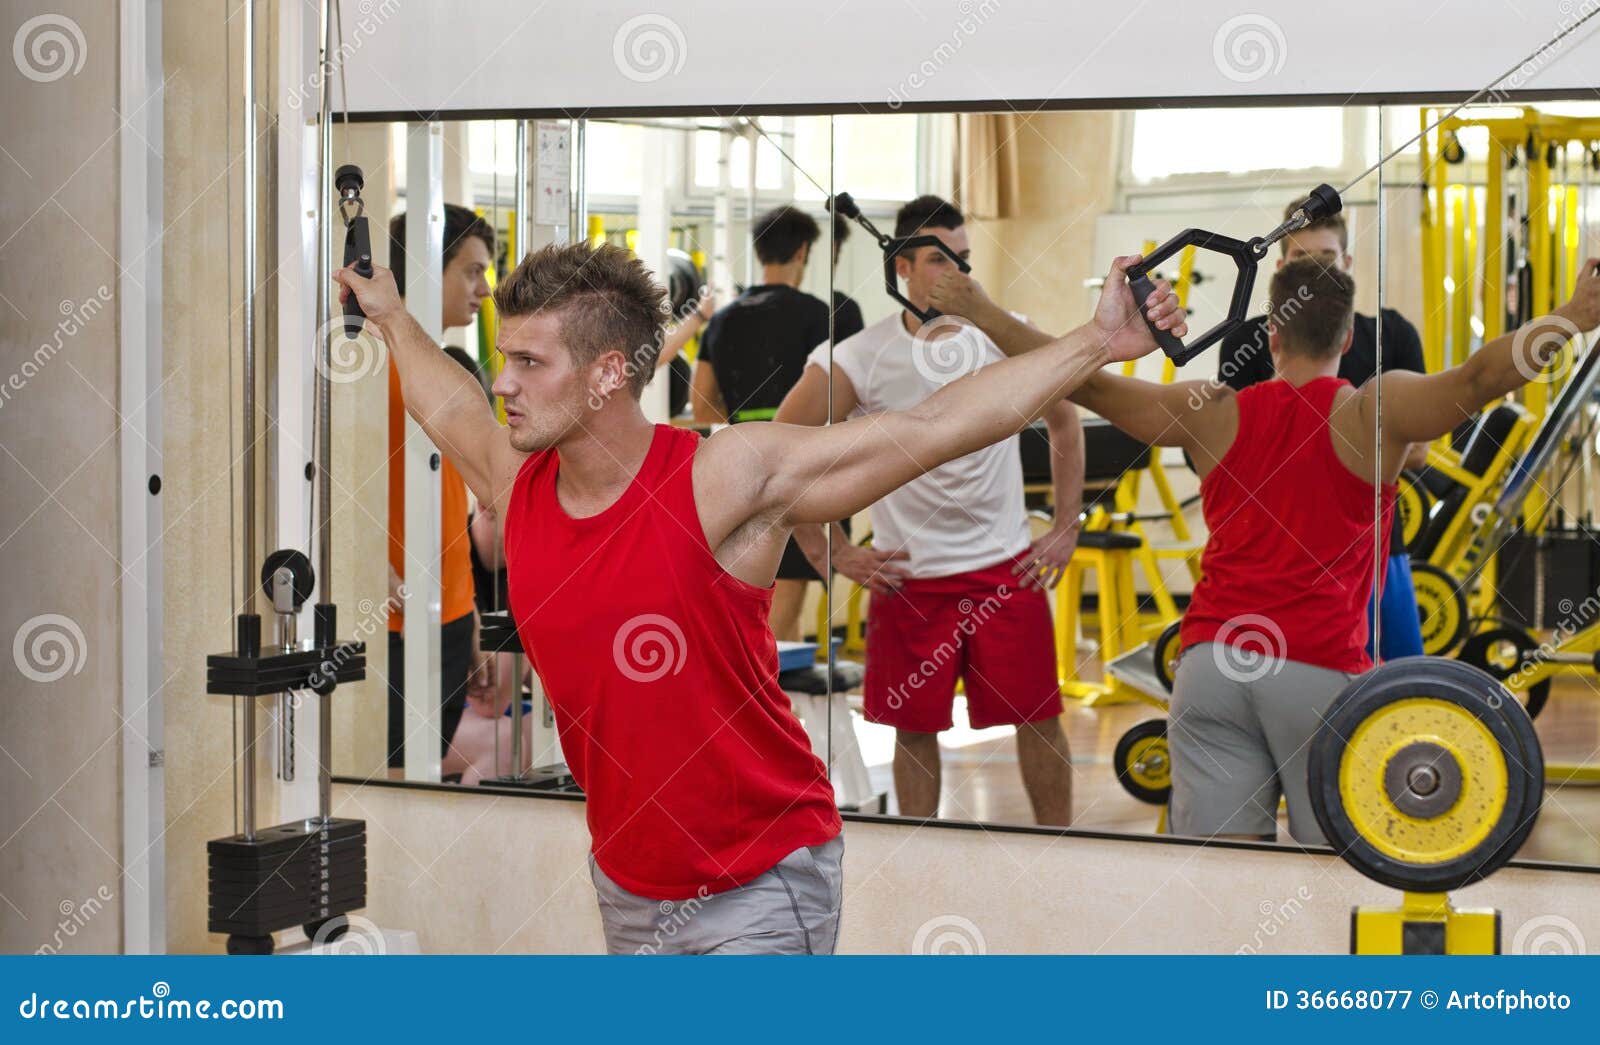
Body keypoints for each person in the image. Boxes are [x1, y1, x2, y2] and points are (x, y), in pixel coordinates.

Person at [334, 236, 1186, 953]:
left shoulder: (721, 477)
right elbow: (447, 409)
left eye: (527, 360)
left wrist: (1094, 342)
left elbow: (935, 427)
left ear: (603, 373)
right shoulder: (519, 485)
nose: (503, 381)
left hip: (762, 878)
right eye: (503, 358)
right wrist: (391, 315)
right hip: (629, 884)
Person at [934, 252, 1600, 844]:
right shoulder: (1376, 410)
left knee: (1225, 879)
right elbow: (1480, 378)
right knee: (1325, 869)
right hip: (1315, 669)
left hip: (1212, 665)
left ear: (1271, 334)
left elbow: (1087, 383)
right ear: (1347, 336)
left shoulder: (1211, 408)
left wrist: (981, 308)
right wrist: (1573, 314)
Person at [775, 195, 1085, 827]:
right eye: (943, 260)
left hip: (1006, 572)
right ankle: (918, 859)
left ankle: (1061, 851)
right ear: (903, 269)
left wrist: (1065, 524)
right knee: (913, 735)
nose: (960, 275)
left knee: (1040, 721)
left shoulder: (1003, 332)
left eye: (966, 260)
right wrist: (828, 549)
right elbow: (779, 452)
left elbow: (1065, 418)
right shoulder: (857, 358)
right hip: (909, 580)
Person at [1214, 197, 1428, 661]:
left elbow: (1417, 454)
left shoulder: (1393, 335)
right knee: (1286, 704)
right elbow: (1231, 461)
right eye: (1301, 263)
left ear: (1348, 263)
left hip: (1374, 554)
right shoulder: (1247, 343)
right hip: (1274, 560)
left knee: (1401, 692)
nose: (1314, 279)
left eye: (1327, 262)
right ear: (1281, 268)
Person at [691, 205, 845, 642]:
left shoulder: (723, 319)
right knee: (780, 629)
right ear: (802, 251)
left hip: (739, 478)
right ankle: (770, 706)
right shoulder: (821, 316)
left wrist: (747, 439)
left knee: (746, 614)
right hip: (801, 475)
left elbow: (701, 405)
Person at [384, 204, 495, 775]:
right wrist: (374, 577)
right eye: (471, 271)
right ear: (429, 267)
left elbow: (454, 506)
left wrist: (470, 613)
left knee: (425, 776)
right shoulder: (374, 362)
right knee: (397, 782)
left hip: (450, 615)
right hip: (395, 625)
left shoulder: (454, 370)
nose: (484, 289)